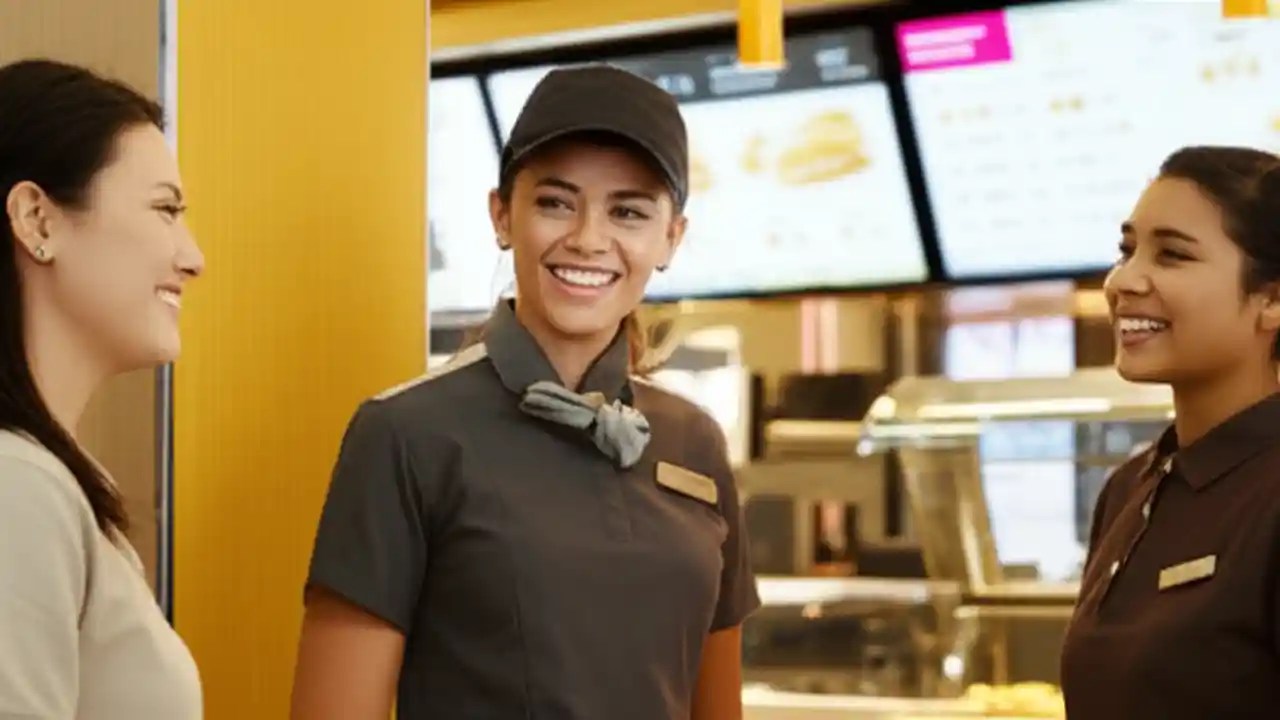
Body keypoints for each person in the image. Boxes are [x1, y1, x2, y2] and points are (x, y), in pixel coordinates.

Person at [291, 64, 760, 720]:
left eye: (628, 212)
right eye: (555, 203)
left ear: (670, 238)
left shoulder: (695, 441)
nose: (588, 240)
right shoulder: (405, 432)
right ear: (502, 215)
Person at [0, 59, 205, 718]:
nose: (193, 258)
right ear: (37, 221)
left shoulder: (51, 480)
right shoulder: (18, 485)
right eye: (165, 210)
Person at [1061, 146, 1280, 718]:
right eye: (1127, 250)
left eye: (1173, 255)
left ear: (1273, 299)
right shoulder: (1129, 487)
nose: (1123, 280)